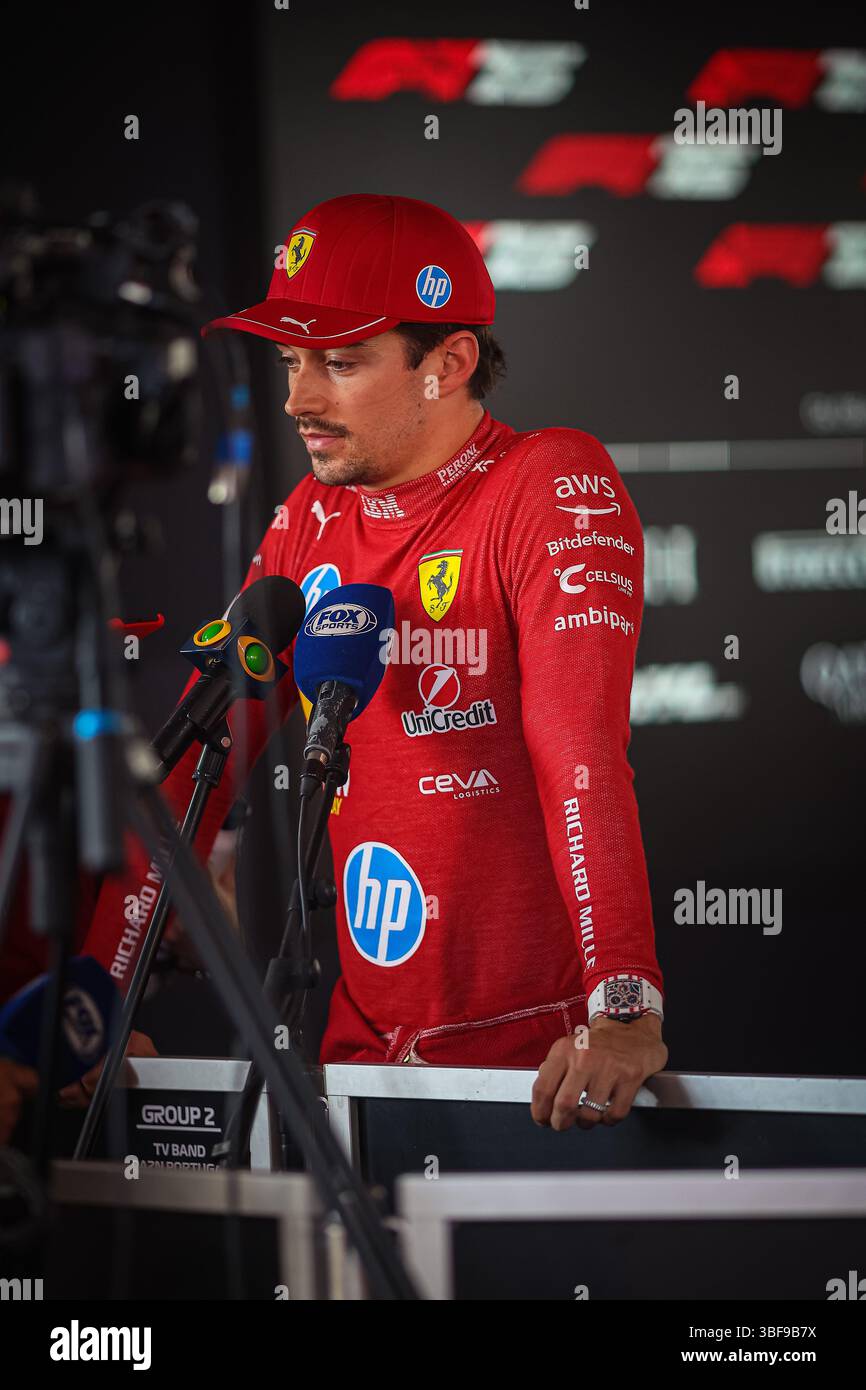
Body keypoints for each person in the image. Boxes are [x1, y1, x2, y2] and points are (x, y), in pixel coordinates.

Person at [84, 193, 668, 1132]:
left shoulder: (549, 480)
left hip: (541, 1071)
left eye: (340, 362)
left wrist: (624, 1007)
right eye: (290, 362)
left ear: (450, 361)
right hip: (358, 1062)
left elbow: (577, 750)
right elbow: (199, 759)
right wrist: (96, 1003)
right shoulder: (309, 519)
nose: (299, 400)